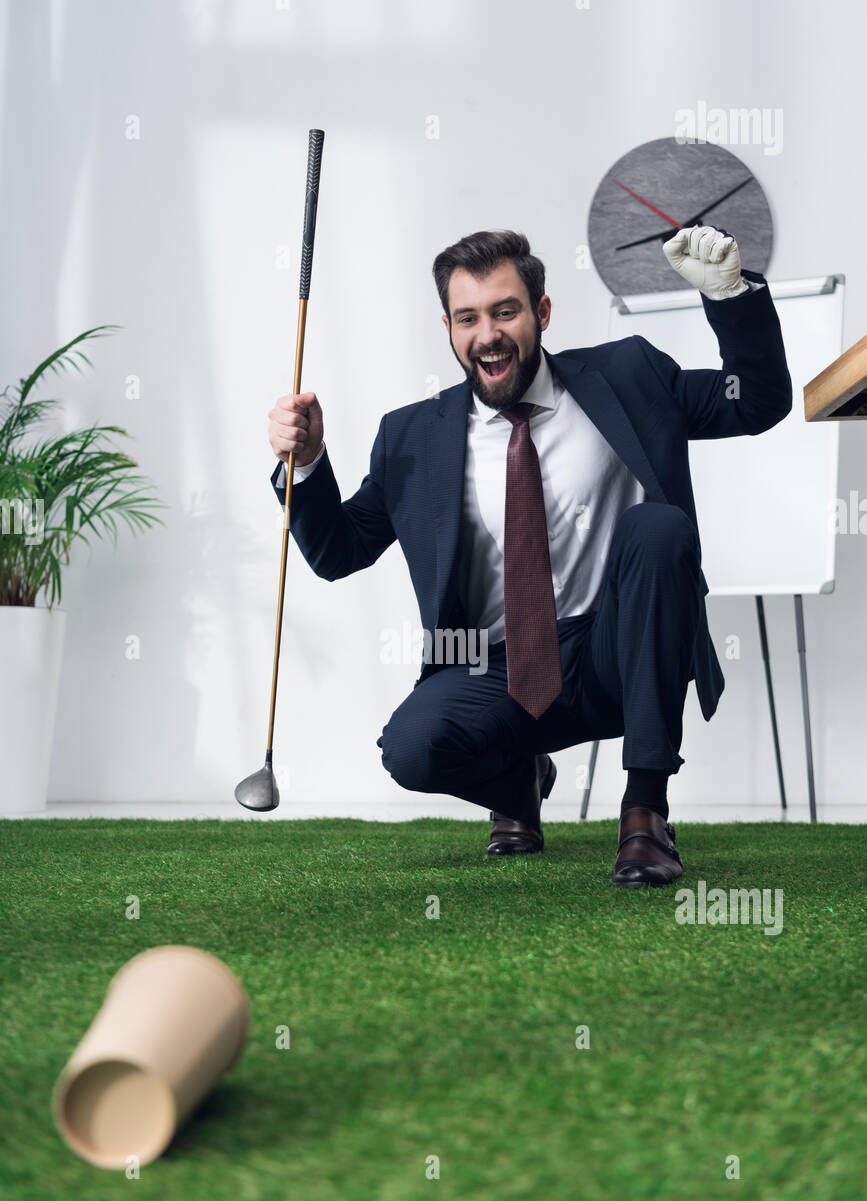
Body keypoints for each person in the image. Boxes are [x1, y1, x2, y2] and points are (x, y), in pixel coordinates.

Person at [267, 226, 791, 886]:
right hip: (492, 666)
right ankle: (517, 781)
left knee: (656, 528)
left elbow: (758, 402)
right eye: (467, 318)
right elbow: (337, 553)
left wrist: (730, 295)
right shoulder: (412, 436)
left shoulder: (628, 375)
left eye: (504, 311)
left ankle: (645, 815)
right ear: (450, 329)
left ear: (539, 314)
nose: (486, 333)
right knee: (410, 750)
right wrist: (309, 463)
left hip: (615, 652)